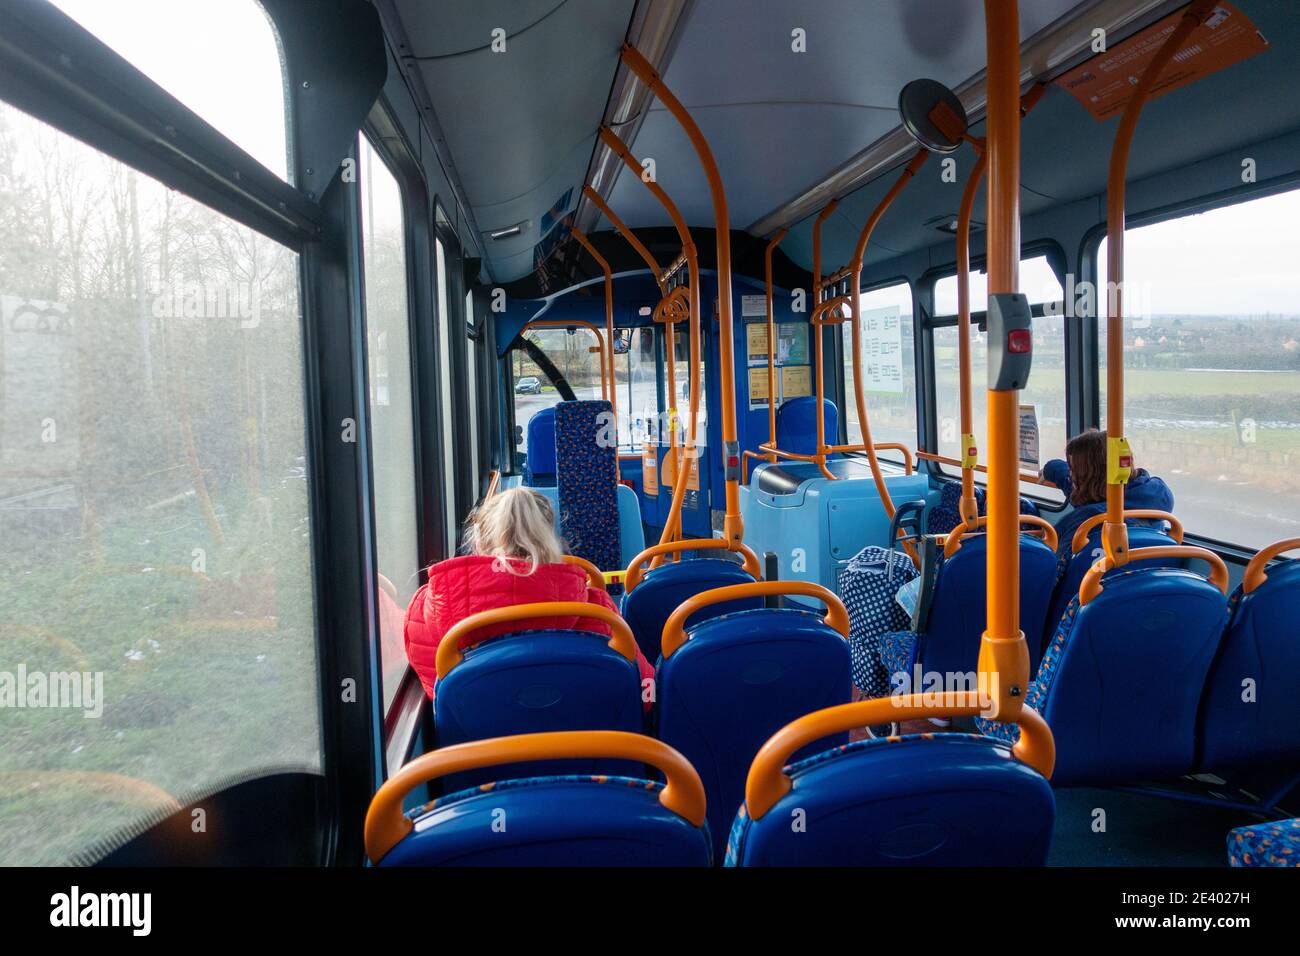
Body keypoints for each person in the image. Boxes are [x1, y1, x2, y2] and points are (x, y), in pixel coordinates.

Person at [403, 486, 654, 701]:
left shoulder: (428, 607)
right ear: (548, 540)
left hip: (479, 752)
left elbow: (440, 695)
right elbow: (644, 691)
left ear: (478, 543)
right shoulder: (595, 609)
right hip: (583, 750)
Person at [1041, 429, 1174, 563]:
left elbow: (1053, 565)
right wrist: (1051, 469)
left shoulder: (1086, 522)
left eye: (1074, 469)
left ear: (1084, 476)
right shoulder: (1153, 503)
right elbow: (1071, 482)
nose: (1070, 475)